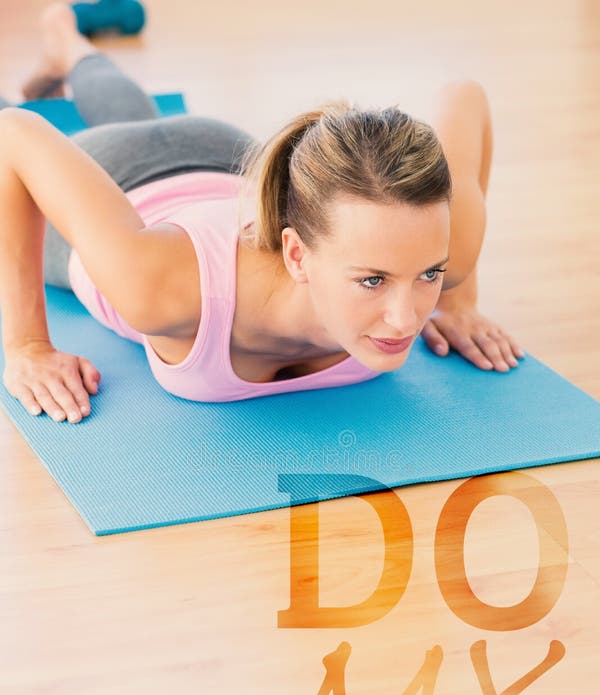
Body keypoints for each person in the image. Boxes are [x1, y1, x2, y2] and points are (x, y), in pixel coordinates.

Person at [0, 3, 523, 425]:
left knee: (136, 116)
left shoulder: (439, 245)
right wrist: (28, 346)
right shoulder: (159, 289)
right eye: (372, 281)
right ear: (296, 254)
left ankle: (64, 38)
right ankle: (65, 39)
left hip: (223, 156)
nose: (407, 318)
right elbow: (16, 135)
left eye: (428, 276)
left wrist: (458, 301)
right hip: (124, 181)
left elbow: (465, 95)